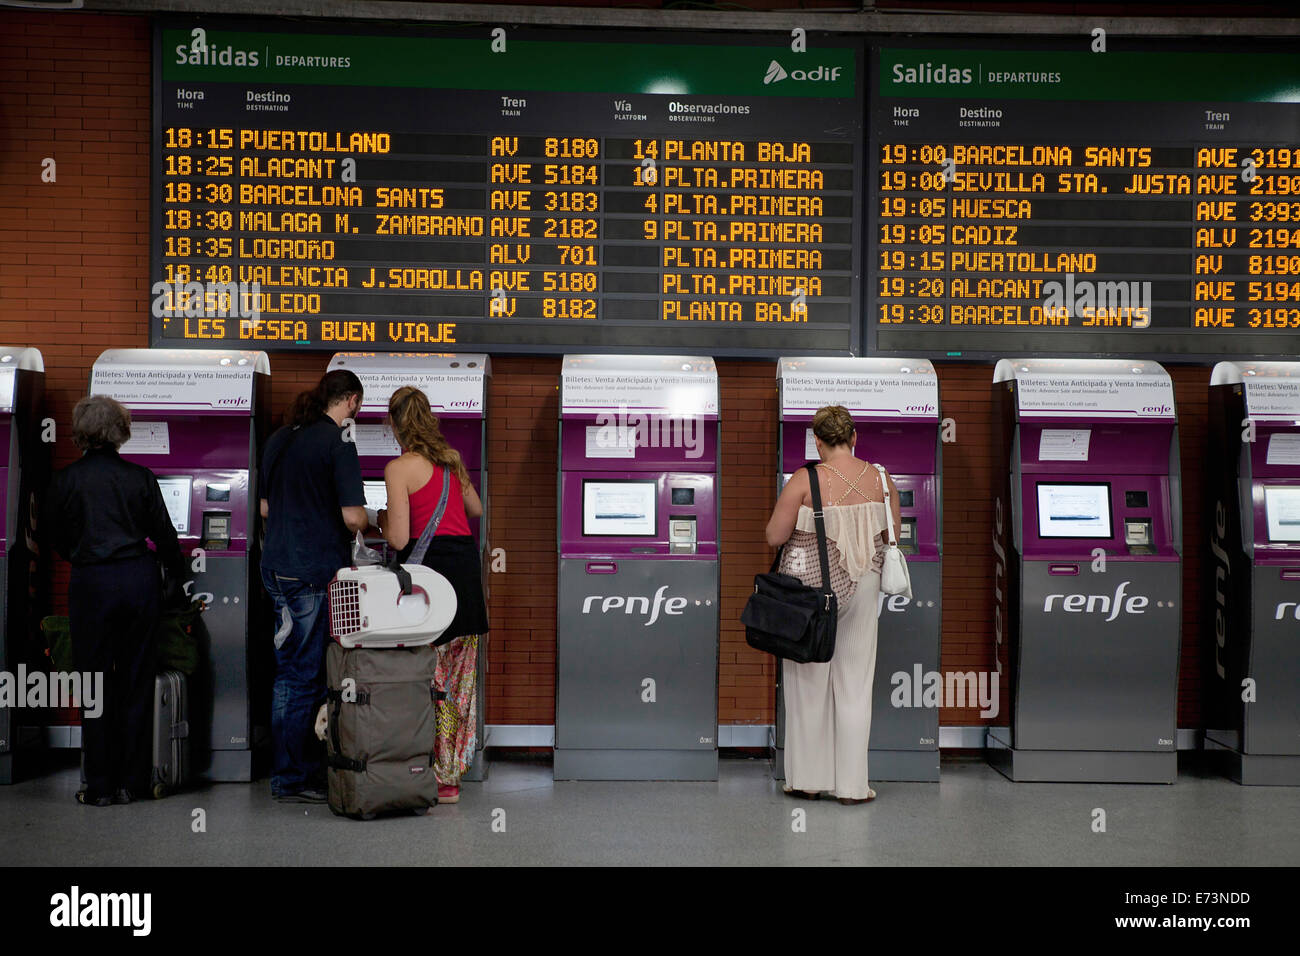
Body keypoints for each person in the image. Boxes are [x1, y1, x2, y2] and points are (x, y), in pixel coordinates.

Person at [45, 395, 185, 806]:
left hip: (91, 583)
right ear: (120, 433)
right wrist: (173, 577)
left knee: (95, 683)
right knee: (136, 679)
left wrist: (83, 556)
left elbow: (55, 536)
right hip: (137, 580)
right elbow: (165, 536)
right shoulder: (140, 477)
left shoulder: (65, 480)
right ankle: (133, 783)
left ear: (82, 432)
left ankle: (99, 785)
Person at [763, 405, 901, 806]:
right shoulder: (881, 478)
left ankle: (807, 781)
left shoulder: (805, 480)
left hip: (810, 592)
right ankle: (853, 787)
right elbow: (892, 532)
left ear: (817, 441)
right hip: (865, 585)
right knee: (855, 684)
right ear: (854, 437)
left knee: (808, 685)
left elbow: (774, 536)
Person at [259, 369, 368, 803]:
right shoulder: (338, 441)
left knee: (292, 670)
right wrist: (378, 516)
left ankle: (292, 771)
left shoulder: (280, 437)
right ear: (352, 402)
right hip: (311, 571)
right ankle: (292, 777)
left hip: (277, 568)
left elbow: (266, 509)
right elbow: (353, 517)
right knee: (302, 675)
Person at [377, 385, 488, 805]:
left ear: (394, 423)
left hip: (432, 582)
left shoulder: (399, 468)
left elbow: (401, 537)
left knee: (428, 680)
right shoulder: (452, 460)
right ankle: (451, 777)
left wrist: (384, 519)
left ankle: (423, 767)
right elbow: (473, 509)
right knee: (458, 685)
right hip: (464, 576)